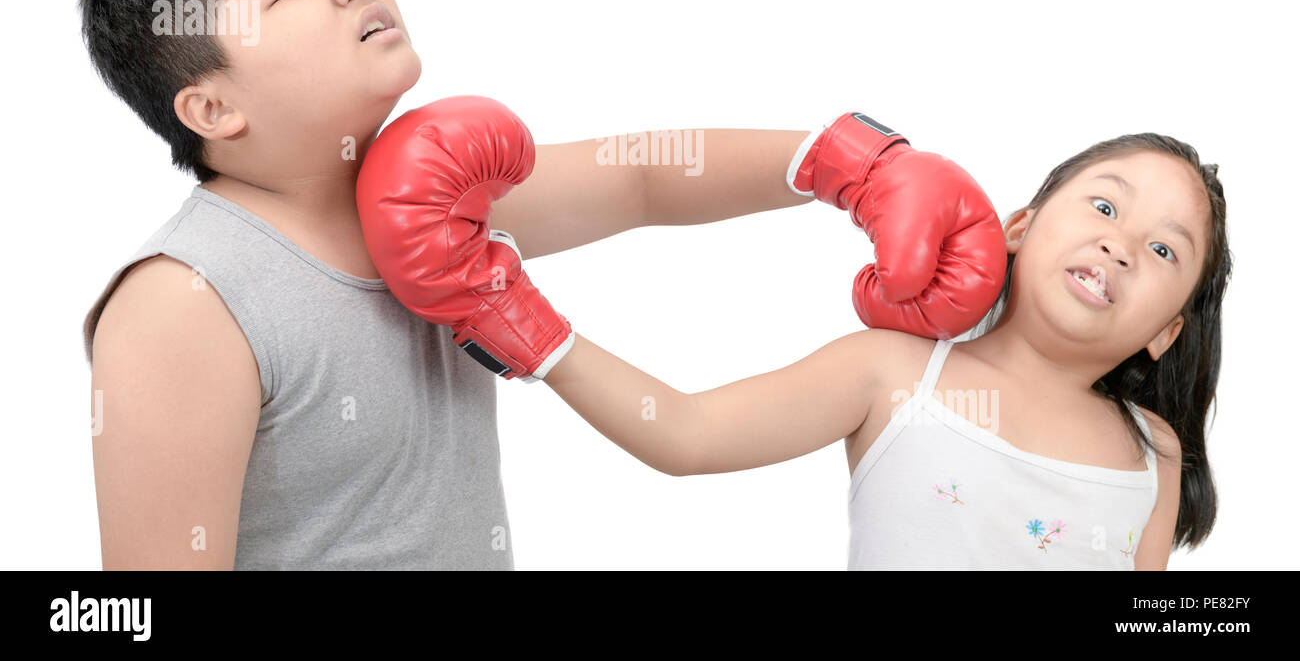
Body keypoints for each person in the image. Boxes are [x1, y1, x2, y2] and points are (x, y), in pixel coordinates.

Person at [80, 0, 1001, 569]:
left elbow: (644, 179)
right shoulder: (185, 301)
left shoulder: (431, 205)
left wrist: (847, 160)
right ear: (209, 110)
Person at [361, 98, 1231, 570]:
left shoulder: (1152, 450)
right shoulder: (893, 372)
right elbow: (689, 434)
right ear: (1015, 225)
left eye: (1162, 248)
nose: (1121, 239)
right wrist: (531, 332)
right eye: (1106, 204)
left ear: (1165, 331)